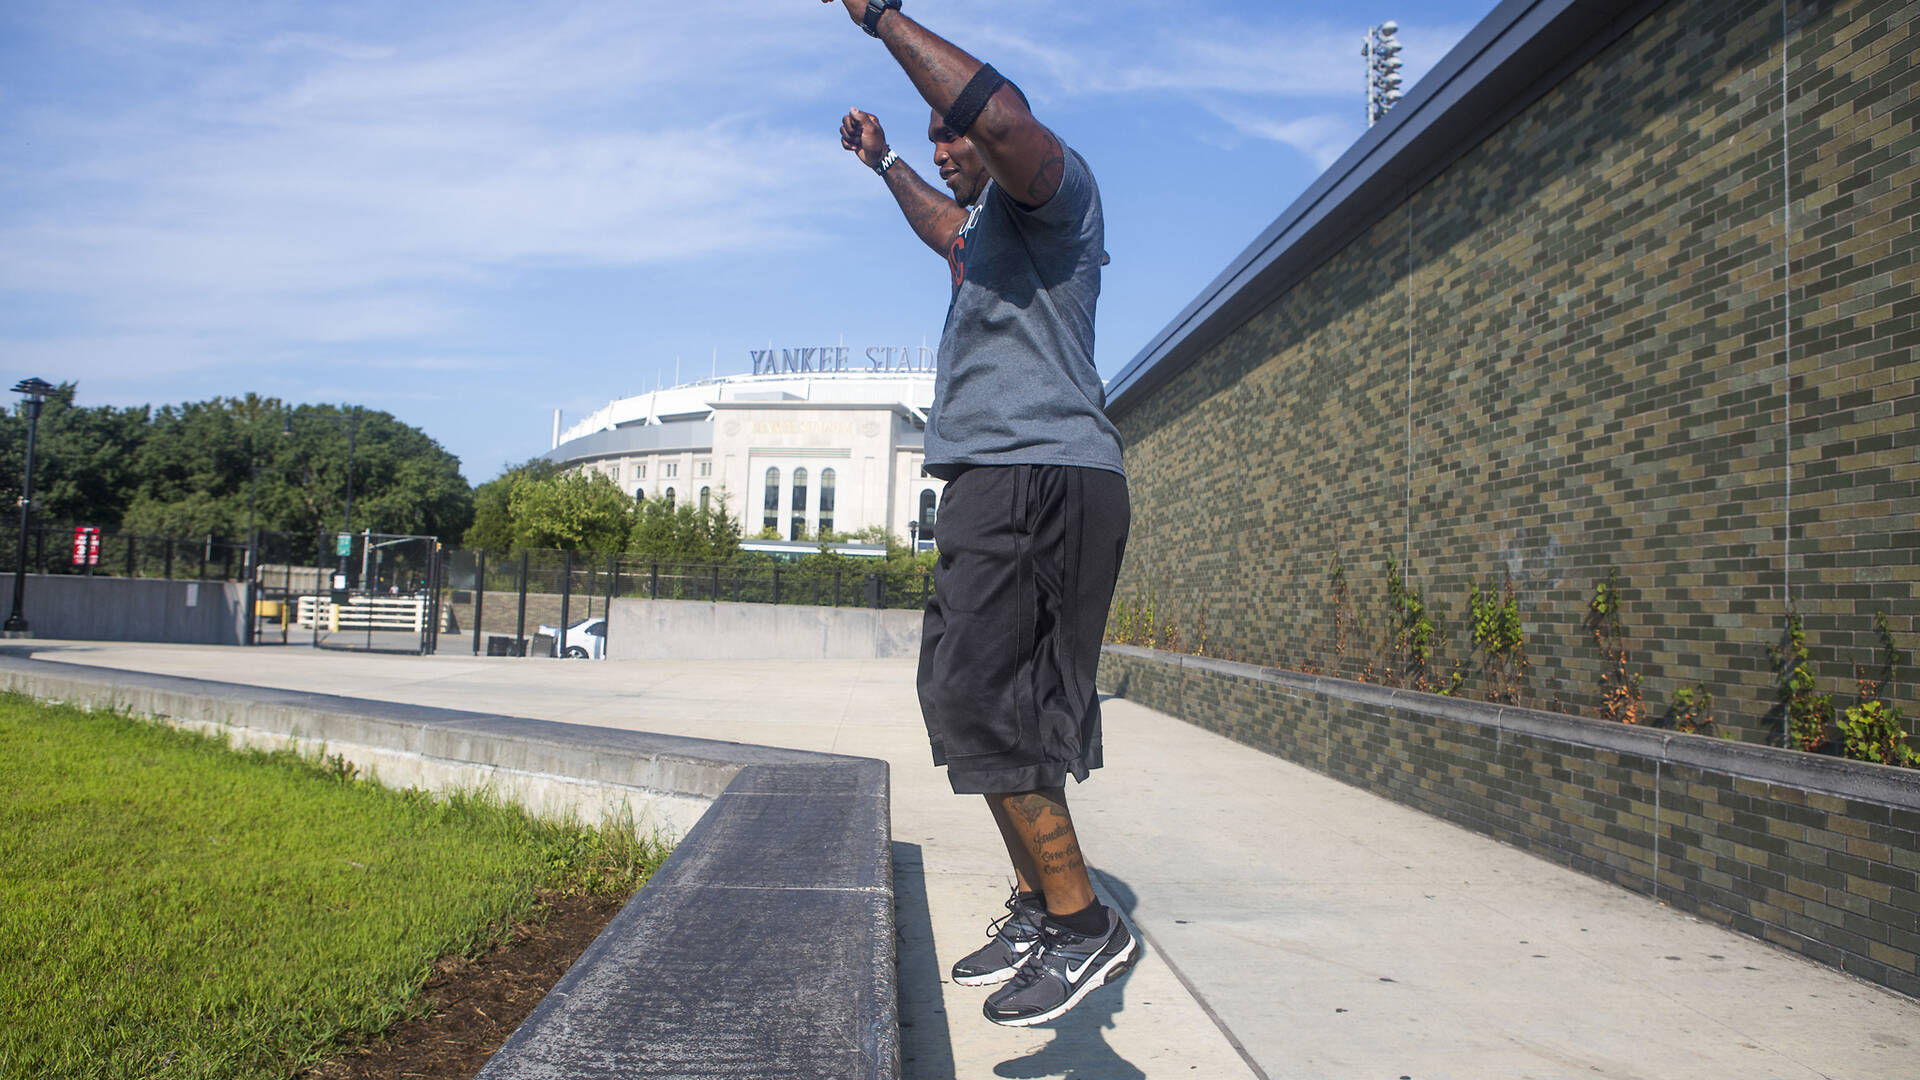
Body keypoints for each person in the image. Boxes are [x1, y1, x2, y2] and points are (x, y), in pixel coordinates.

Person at [821, 0, 1136, 1028]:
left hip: (1045, 476)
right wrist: (881, 169)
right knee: (967, 704)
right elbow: (940, 228)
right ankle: (1044, 902)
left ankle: (1086, 925)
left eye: (949, 132)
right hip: (992, 481)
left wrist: (880, 19)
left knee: (1004, 709)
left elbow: (998, 124)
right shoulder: (986, 236)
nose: (944, 146)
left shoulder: (1054, 189)